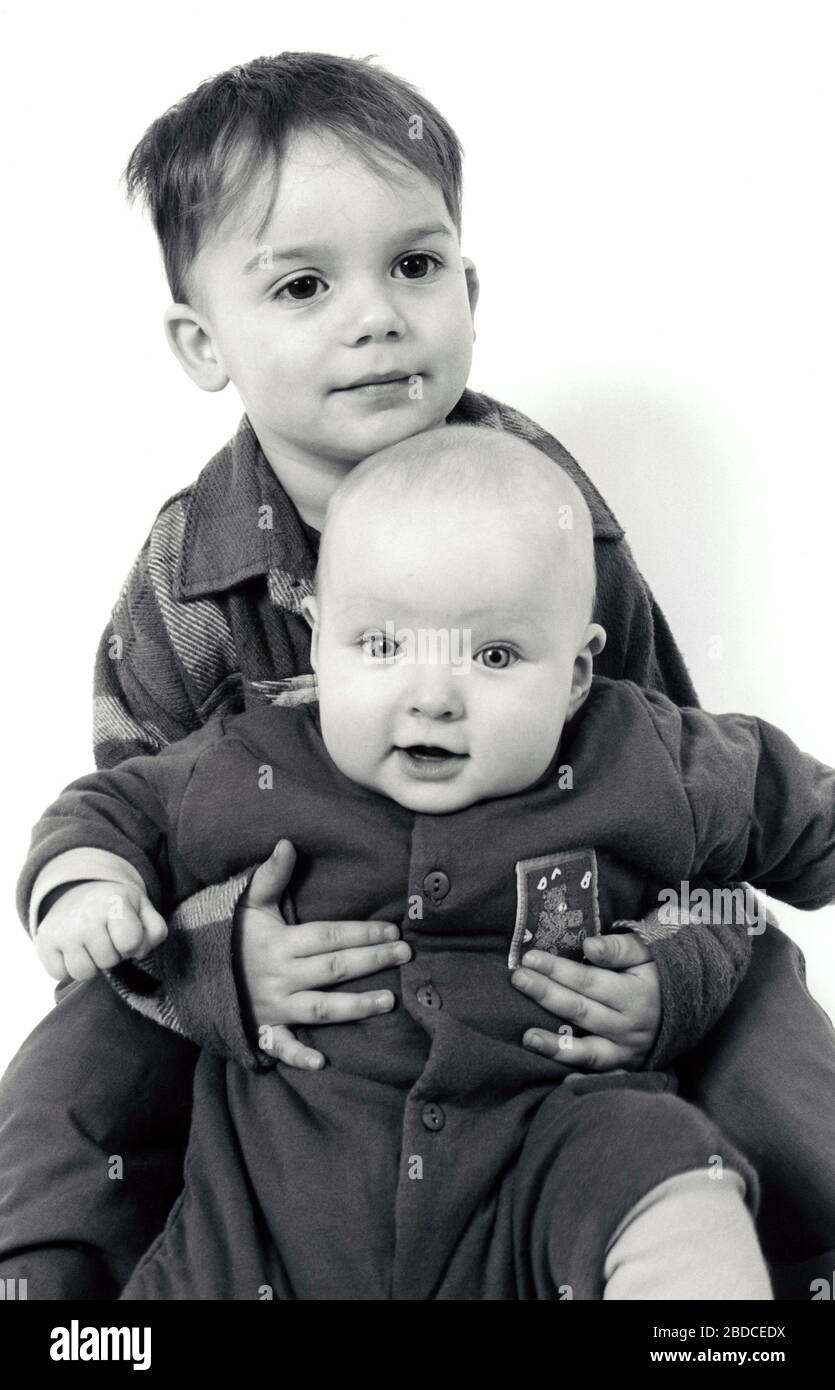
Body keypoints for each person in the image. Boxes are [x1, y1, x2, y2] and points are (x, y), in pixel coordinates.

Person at [1, 52, 832, 1301]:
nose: (377, 315)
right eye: (300, 283)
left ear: (468, 285)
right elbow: (142, 835)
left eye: (414, 264)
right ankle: (52, 1290)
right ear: (202, 341)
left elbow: (682, 794)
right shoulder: (192, 577)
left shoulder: (550, 522)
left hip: (539, 957)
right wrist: (221, 959)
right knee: (87, 1042)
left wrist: (669, 969)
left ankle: (791, 1263)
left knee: (755, 979)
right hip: (312, 994)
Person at [24, 427, 825, 1299]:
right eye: (381, 647)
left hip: (544, 1155)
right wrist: (89, 885)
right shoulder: (248, 763)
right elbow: (110, 805)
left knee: (670, 1171)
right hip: (278, 1200)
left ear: (573, 675)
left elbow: (786, 804)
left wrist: (680, 964)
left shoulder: (637, 753)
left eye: (493, 656)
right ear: (318, 642)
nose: (433, 695)